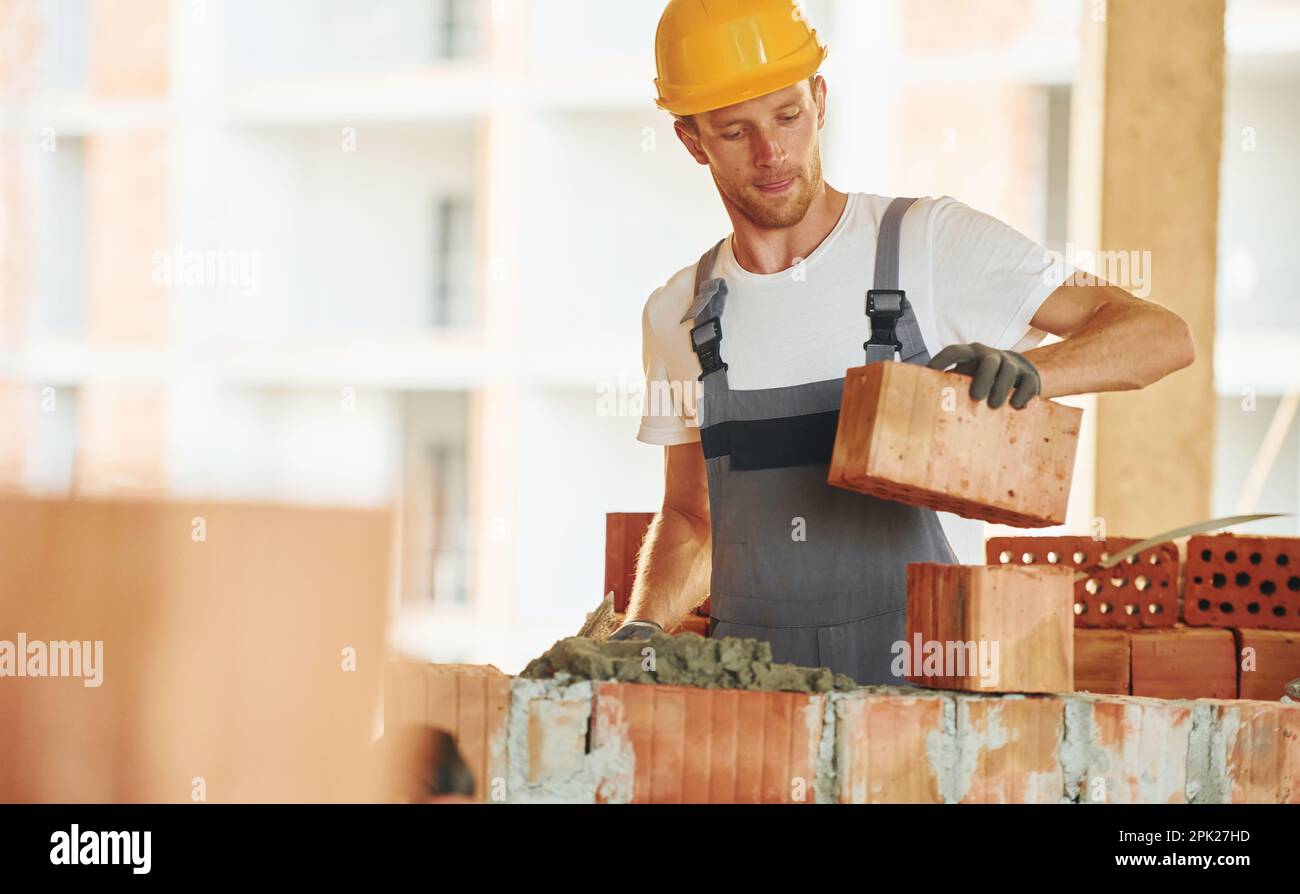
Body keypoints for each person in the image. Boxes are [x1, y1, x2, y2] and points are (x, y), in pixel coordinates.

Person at [612, 0, 1195, 686]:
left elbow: (1161, 335)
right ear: (691, 140)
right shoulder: (679, 313)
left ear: (820, 100)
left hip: (918, 693)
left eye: (787, 117)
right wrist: (642, 627)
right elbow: (691, 516)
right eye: (736, 131)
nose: (772, 154)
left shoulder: (927, 245)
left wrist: (1032, 372)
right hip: (758, 700)